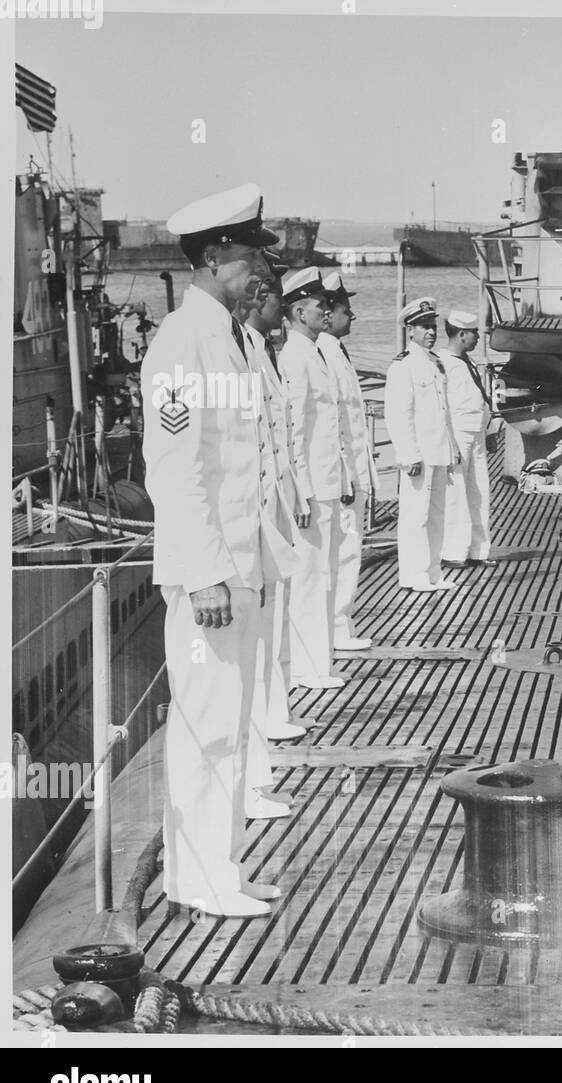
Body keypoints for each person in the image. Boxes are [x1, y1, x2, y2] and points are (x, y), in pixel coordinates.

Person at [141, 183, 296, 918]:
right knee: (205, 725)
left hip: (241, 568)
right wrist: (204, 574)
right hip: (209, 577)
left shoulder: (233, 337)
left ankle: (219, 867)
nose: (256, 269)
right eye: (246, 255)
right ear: (213, 257)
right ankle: (199, 878)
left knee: (231, 723)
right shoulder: (181, 341)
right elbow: (175, 471)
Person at [243, 255, 311, 806]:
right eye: (273, 299)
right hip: (251, 521)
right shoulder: (240, 352)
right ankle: (252, 766)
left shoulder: (265, 354)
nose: (279, 310)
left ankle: (272, 714)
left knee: (273, 625)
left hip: (273, 509)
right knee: (253, 640)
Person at [281, 267, 358, 689]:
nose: (326, 312)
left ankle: (320, 663)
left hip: (329, 484)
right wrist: (302, 494)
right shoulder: (294, 357)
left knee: (324, 577)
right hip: (312, 489)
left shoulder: (315, 353)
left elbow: (331, 428)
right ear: (298, 311)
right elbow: (293, 433)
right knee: (310, 580)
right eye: (318, 306)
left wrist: (344, 480)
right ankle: (306, 669)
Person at [384, 297, 461, 591]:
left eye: (433, 326)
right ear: (410, 330)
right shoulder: (403, 366)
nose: (431, 332)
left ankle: (432, 572)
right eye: (424, 327)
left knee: (437, 515)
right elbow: (398, 414)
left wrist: (452, 449)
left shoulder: (435, 362)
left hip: (439, 451)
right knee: (416, 517)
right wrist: (408, 453)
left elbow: (444, 412)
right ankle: (413, 575)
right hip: (420, 454)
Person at [318, 271, 377, 649]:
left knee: (348, 551)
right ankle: (336, 627)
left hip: (352, 472)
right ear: (329, 312)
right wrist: (344, 478)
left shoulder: (335, 350)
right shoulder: (324, 352)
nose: (351, 315)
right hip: (343, 476)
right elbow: (332, 423)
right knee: (341, 553)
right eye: (346, 309)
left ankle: (341, 623)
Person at [439, 311, 496, 567]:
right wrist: (448, 442)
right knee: (456, 495)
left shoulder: (467, 361)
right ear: (461, 334)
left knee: (479, 492)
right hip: (458, 434)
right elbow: (442, 408)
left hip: (476, 432)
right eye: (473, 333)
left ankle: (478, 550)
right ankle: (453, 551)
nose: (477, 338)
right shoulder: (442, 362)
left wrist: (490, 430)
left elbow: (480, 399)